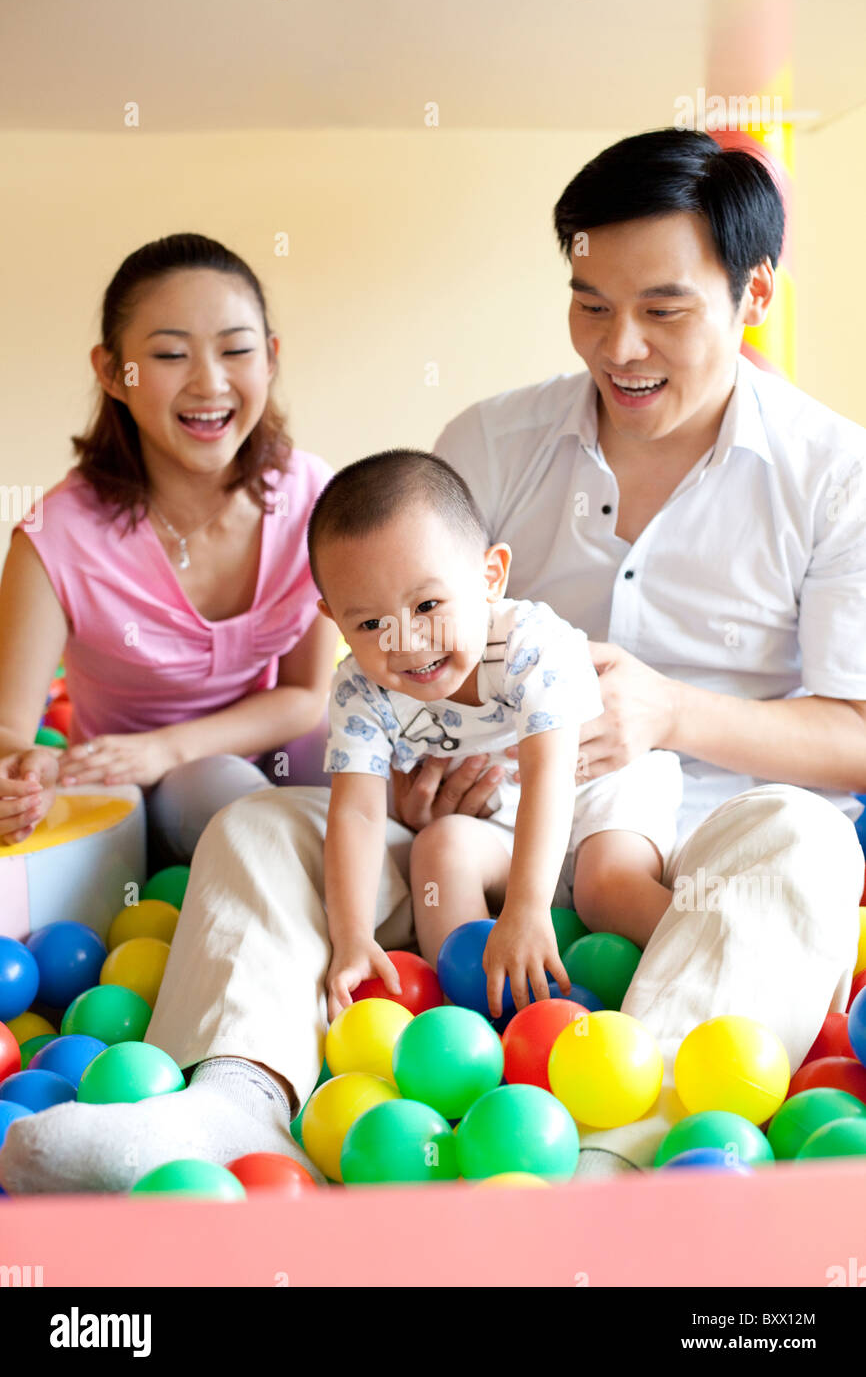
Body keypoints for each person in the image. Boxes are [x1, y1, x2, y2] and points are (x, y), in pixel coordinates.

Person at [3, 128, 866, 1194]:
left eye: (663, 310)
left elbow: (854, 738)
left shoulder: (832, 474)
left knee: (809, 847)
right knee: (260, 822)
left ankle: (629, 1141)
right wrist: (416, 772)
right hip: (472, 843)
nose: (619, 347)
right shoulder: (493, 443)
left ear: (753, 295)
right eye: (589, 303)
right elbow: (396, 653)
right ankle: (232, 1103)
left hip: (694, 862)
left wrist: (672, 713)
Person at [310, 449, 683, 1022]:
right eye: (369, 623)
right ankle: (477, 1015)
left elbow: (549, 775)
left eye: (428, 604)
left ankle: (710, 956)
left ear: (490, 577)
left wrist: (529, 910)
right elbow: (356, 815)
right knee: (440, 848)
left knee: (604, 885)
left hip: (595, 790)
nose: (407, 642)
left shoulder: (530, 644)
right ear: (334, 620)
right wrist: (352, 936)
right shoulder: (358, 690)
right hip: (505, 825)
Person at [0, 233, 338, 866]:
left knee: (364, 755)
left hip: (272, 741)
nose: (210, 383)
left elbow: (304, 696)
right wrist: (21, 772)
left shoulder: (313, 498)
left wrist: (173, 743)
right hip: (145, 783)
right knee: (227, 797)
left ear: (269, 359)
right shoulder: (55, 538)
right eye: (170, 355)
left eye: (236, 349)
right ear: (112, 373)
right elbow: (9, 728)